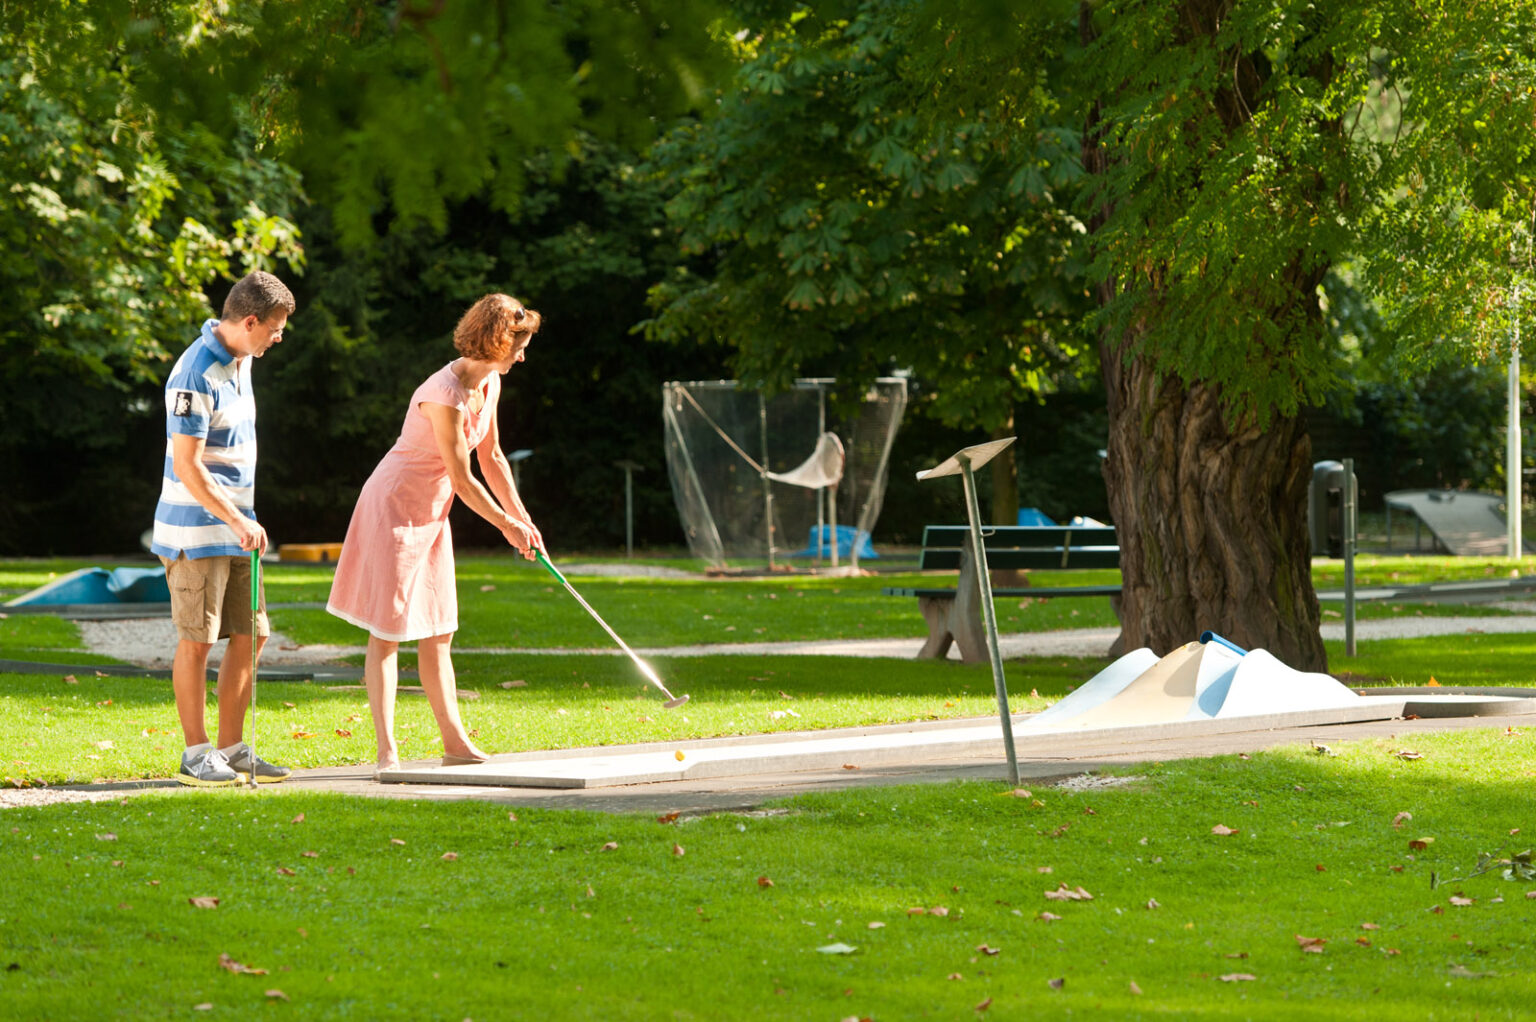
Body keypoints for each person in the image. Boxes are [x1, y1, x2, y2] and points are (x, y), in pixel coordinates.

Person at [325, 293, 543, 776]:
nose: (523, 356)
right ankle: (387, 753)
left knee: (439, 629)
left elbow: (493, 458)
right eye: (518, 346)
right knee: (388, 631)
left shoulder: (489, 383)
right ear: (496, 340)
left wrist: (523, 519)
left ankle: (455, 742)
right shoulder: (443, 394)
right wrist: (506, 526)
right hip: (394, 507)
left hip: (431, 511)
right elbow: (463, 478)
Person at [151, 270, 296, 787]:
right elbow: (188, 466)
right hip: (196, 530)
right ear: (250, 321)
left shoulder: (242, 359)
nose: (279, 338)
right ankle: (196, 753)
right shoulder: (193, 374)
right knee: (198, 640)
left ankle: (232, 748)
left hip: (237, 529)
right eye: (276, 328)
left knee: (251, 635)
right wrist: (237, 518)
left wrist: (242, 521)